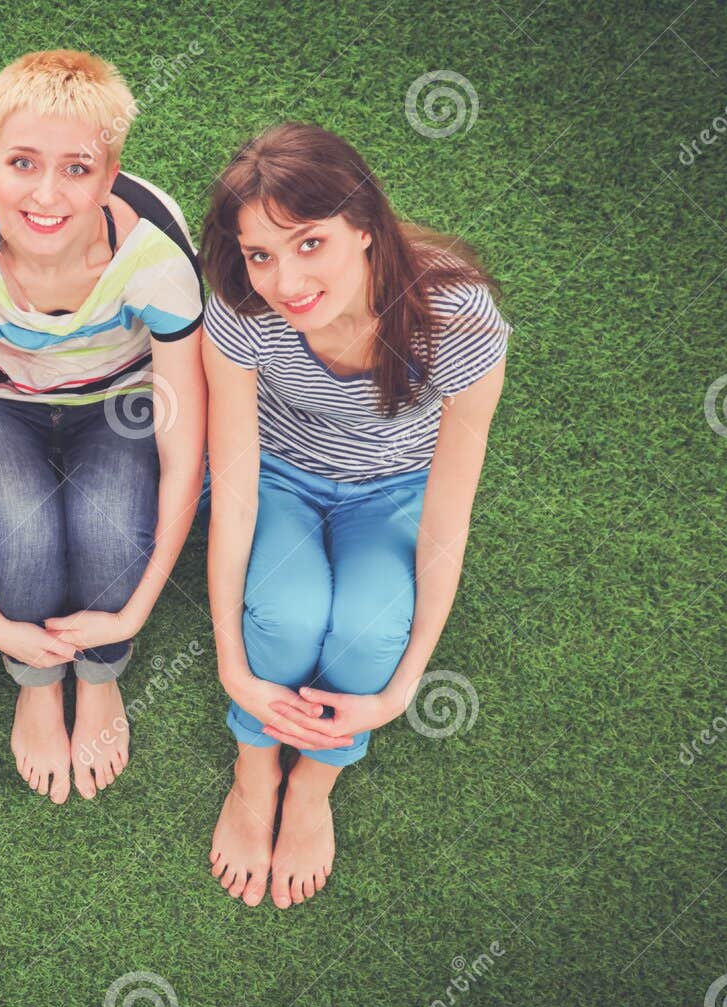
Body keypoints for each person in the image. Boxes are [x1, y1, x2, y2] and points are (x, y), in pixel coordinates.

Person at [200, 123, 511, 909]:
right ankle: (255, 770)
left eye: (310, 243)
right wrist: (233, 664)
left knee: (368, 634)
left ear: (365, 224)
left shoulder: (458, 318)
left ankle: (314, 785)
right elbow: (233, 488)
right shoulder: (241, 305)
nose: (286, 281)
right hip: (278, 475)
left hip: (394, 488)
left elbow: (448, 514)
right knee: (287, 617)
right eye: (260, 254)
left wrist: (403, 687)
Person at [0, 50, 206, 804]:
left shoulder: (158, 257)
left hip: (119, 402)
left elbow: (185, 452)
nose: (46, 194)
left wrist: (132, 614)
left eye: (77, 169)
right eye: (22, 163)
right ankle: (37, 683)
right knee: (21, 532)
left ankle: (100, 675)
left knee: (107, 529)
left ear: (109, 177)